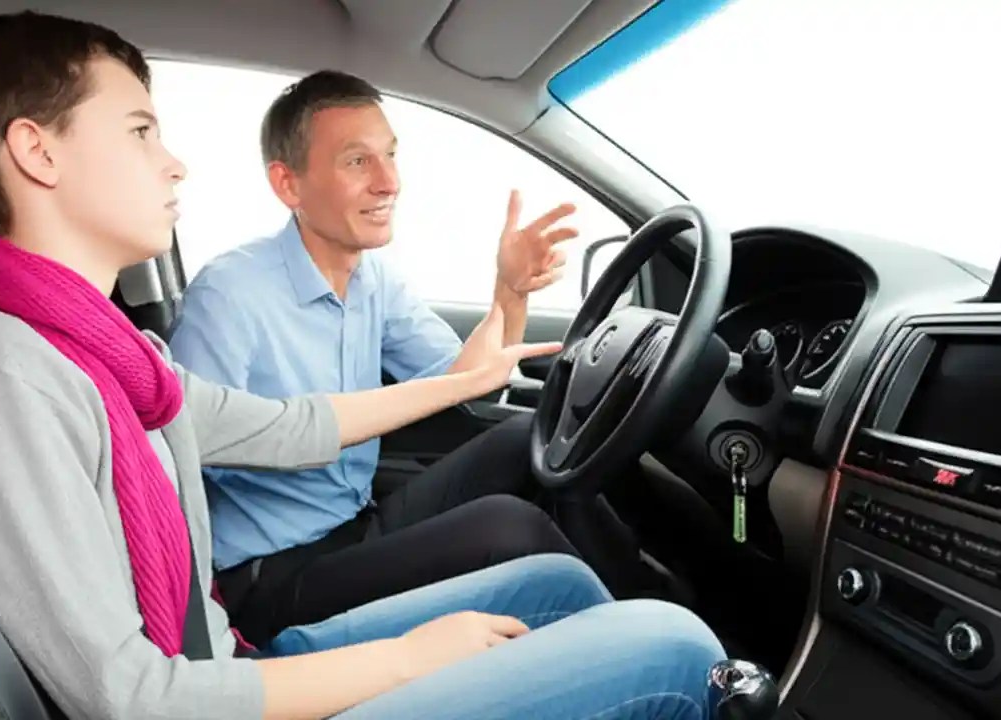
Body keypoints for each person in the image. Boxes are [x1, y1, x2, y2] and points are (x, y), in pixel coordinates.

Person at [0, 11, 726, 720]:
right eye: (141, 130)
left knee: (556, 583)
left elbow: (295, 427)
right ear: (38, 153)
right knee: (678, 645)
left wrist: (479, 357)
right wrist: (407, 660)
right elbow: (134, 698)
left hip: (229, 653)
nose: (174, 161)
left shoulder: (112, 355)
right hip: (216, 676)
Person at [169, 70, 645, 644]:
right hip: (271, 575)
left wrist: (510, 294)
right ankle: (636, 654)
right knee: (509, 526)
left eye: (390, 155)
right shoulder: (230, 293)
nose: (389, 181)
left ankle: (651, 608)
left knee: (531, 441)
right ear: (288, 184)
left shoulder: (374, 281)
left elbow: (468, 383)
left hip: (356, 523)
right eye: (356, 162)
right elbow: (184, 456)